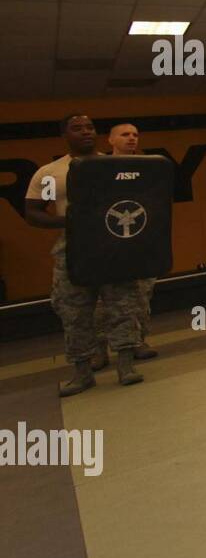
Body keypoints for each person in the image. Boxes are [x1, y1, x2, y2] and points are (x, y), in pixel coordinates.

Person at [24, 114, 144, 394]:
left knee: (123, 305)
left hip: (115, 246)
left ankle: (126, 366)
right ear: (65, 135)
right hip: (73, 248)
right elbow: (33, 212)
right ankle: (82, 372)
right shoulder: (52, 173)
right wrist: (70, 221)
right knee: (74, 311)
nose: (86, 132)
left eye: (90, 127)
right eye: (77, 129)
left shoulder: (116, 166)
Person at [89, 123, 158, 369]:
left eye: (135, 135)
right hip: (107, 242)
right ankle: (99, 349)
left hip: (140, 241)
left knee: (140, 295)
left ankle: (138, 341)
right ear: (110, 140)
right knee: (100, 301)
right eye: (125, 134)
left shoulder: (149, 166)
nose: (131, 138)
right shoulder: (98, 168)